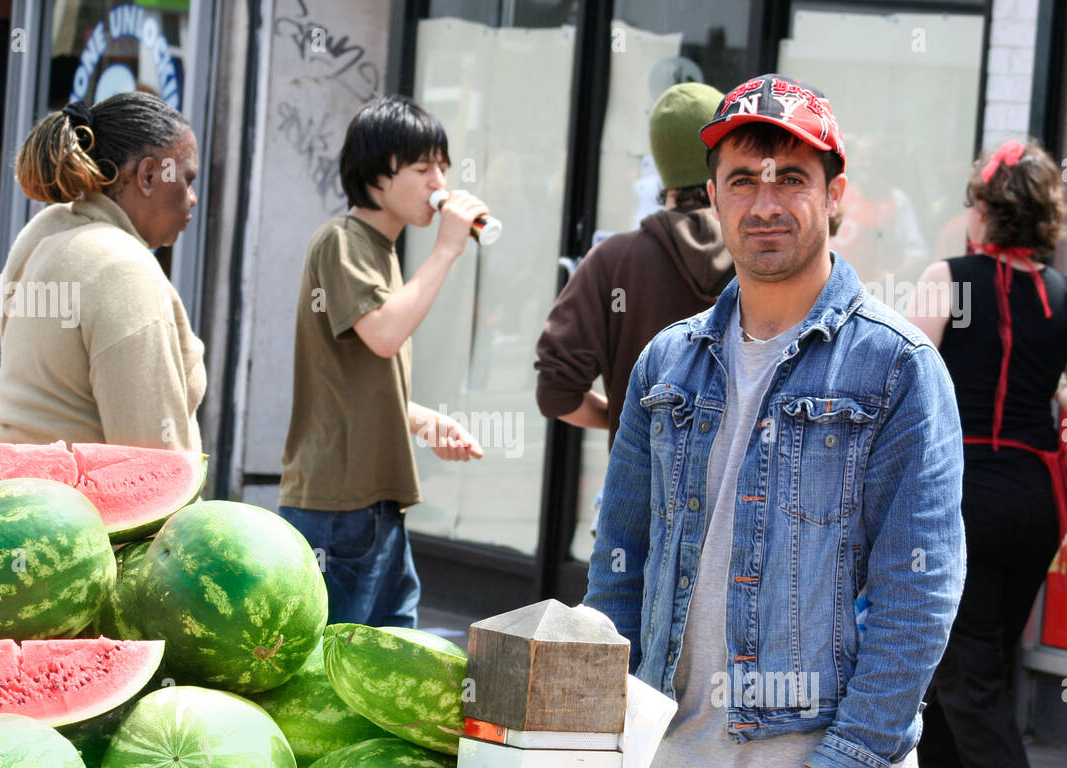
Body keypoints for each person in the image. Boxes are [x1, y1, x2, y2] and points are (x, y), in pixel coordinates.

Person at [585, 73, 967, 768]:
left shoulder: (897, 367)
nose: (765, 203)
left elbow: (919, 589)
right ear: (714, 200)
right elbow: (620, 563)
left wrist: (853, 760)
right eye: (742, 182)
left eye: (792, 178)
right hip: (651, 767)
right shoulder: (668, 361)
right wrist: (598, 726)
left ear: (836, 198)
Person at [888, 140, 1067, 768]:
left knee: (961, 672)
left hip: (962, 498)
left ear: (985, 210)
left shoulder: (945, 279)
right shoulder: (1062, 296)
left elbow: (906, 380)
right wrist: (1046, 387)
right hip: (1036, 504)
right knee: (974, 668)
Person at [279, 94, 486, 630]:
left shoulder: (381, 249)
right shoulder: (342, 241)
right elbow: (385, 335)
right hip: (339, 507)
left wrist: (422, 421)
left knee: (391, 658)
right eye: (422, 168)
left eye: (442, 165)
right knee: (333, 667)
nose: (439, 181)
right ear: (375, 176)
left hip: (374, 503)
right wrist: (446, 250)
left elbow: (358, 378)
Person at [0, 92, 205, 451]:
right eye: (188, 179)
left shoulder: (42, 232)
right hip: (83, 505)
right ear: (148, 175)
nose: (192, 198)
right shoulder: (124, 268)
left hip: (8, 491)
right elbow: (150, 457)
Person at [534, 82, 733, 447]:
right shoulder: (761, 256)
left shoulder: (613, 260)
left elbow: (556, 393)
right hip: (750, 495)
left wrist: (627, 421)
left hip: (641, 490)